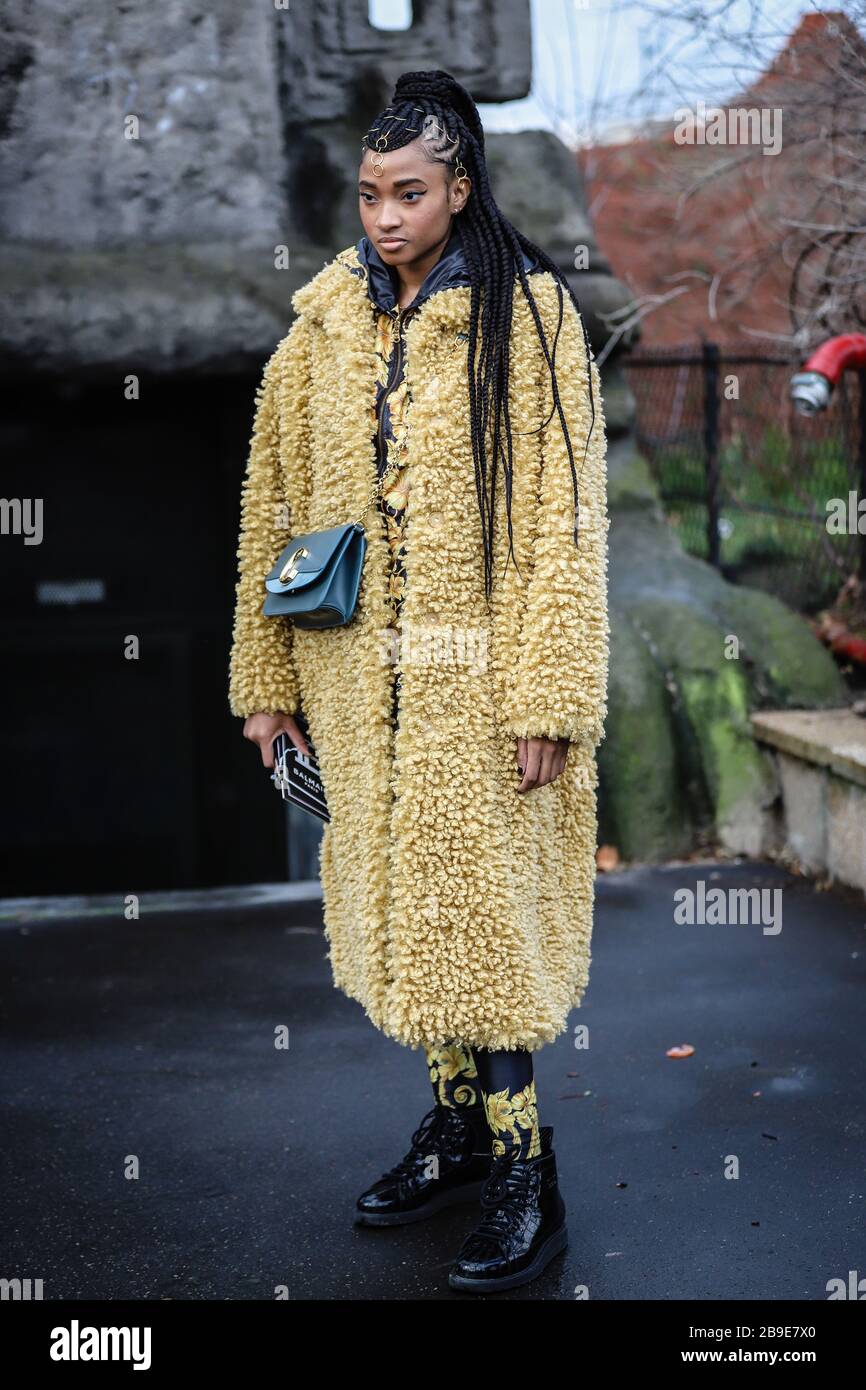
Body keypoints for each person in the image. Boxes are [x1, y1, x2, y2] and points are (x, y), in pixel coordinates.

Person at [228, 69, 609, 1295]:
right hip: (355, 686)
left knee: (483, 930)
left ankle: (522, 1170)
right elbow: (269, 516)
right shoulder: (320, 327)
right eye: (369, 194)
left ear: (458, 189)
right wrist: (264, 680)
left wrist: (548, 689)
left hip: (479, 685)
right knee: (406, 916)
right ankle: (454, 1134)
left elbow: (565, 519)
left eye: (410, 193)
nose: (384, 217)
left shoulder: (527, 318)